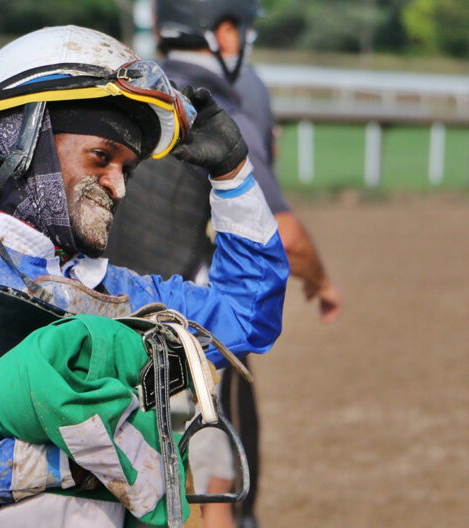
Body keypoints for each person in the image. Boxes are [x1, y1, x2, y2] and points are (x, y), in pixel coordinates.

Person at [0, 25, 288, 528]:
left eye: (129, 169)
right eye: (102, 158)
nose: (119, 187)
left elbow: (246, 315)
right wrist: (83, 465)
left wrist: (233, 178)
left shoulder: (120, 294)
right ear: (23, 143)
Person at [105, 2, 343, 527]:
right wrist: (322, 282)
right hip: (193, 335)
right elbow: (287, 236)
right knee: (216, 490)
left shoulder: (128, 97)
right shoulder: (218, 111)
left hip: (108, 322)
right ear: (227, 34)